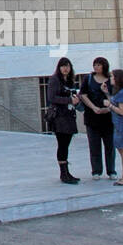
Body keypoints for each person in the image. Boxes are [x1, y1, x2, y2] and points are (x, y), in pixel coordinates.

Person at [78, 56, 117, 180]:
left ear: (104, 66)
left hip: (108, 118)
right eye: (95, 64)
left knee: (110, 145)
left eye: (99, 65)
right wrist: (94, 107)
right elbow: (83, 94)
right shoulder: (88, 79)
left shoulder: (110, 79)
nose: (96, 67)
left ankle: (111, 170)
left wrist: (108, 108)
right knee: (94, 145)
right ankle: (96, 171)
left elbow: (114, 97)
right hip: (92, 117)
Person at [46, 56, 81, 185]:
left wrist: (76, 100)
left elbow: (73, 95)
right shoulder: (55, 80)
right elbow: (52, 97)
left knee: (66, 143)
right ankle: (63, 172)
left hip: (69, 114)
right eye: (63, 66)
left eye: (67, 66)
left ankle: (66, 172)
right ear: (59, 67)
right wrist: (69, 100)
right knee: (62, 143)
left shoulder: (70, 80)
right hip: (59, 116)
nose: (65, 68)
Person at [105, 68, 123, 186]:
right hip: (119, 125)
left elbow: (121, 111)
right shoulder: (118, 92)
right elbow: (113, 103)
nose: (111, 79)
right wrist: (107, 94)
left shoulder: (122, 93)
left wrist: (109, 106)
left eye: (112, 77)